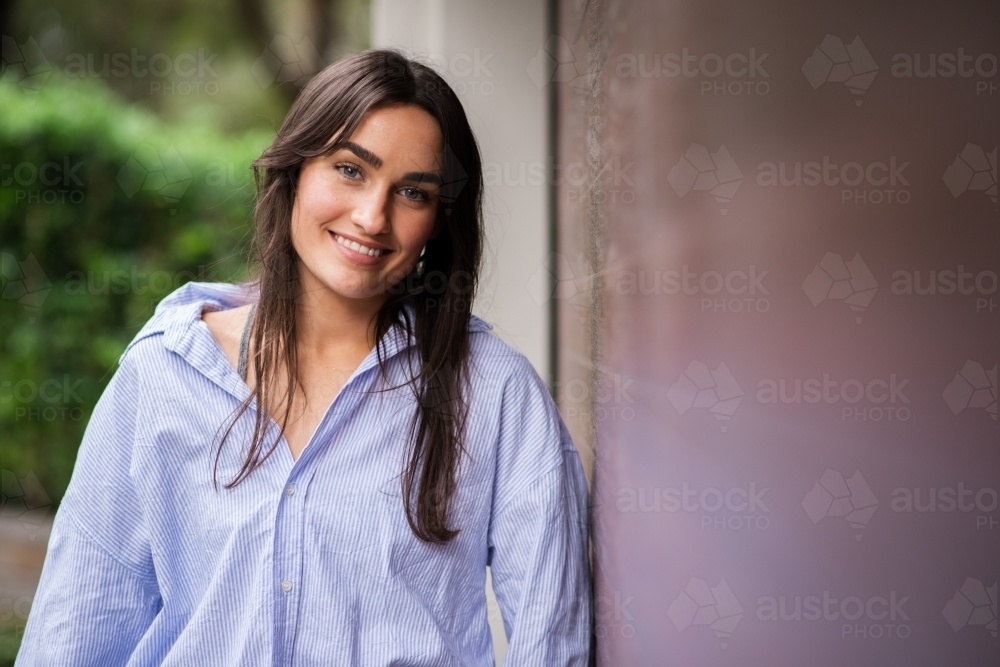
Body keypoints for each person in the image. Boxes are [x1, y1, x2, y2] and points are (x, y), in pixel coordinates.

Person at [15, 50, 591, 666]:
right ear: (296, 171)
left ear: (439, 222)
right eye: (349, 169)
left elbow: (551, 643)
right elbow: (73, 635)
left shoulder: (496, 394)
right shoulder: (162, 377)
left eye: (414, 192)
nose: (372, 217)